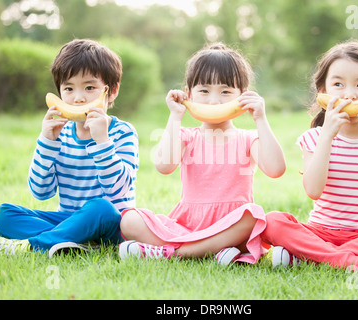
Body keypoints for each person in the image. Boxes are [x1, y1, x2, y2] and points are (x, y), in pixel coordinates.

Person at [262, 40, 358, 277]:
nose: (349, 94)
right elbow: (313, 190)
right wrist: (327, 136)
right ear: (323, 92)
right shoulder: (314, 138)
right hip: (318, 231)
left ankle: (308, 258)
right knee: (272, 221)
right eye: (338, 84)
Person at [119, 43, 285, 265]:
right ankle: (211, 251)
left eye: (225, 92)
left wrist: (261, 119)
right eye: (204, 91)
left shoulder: (248, 138)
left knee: (253, 215)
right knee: (129, 219)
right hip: (189, 225)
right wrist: (175, 117)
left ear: (242, 96)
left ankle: (174, 253)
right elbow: (164, 165)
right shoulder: (187, 136)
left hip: (232, 227)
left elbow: (276, 169)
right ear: (189, 95)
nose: (214, 101)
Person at [0, 39, 139, 257]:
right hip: (67, 218)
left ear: (112, 92)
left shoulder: (123, 132)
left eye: (90, 87)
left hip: (110, 223)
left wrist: (102, 141)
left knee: (100, 207)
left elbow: (118, 189)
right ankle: (76, 242)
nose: (78, 97)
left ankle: (28, 247)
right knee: (4, 214)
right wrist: (47, 143)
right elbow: (40, 192)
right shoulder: (60, 134)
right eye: (69, 88)